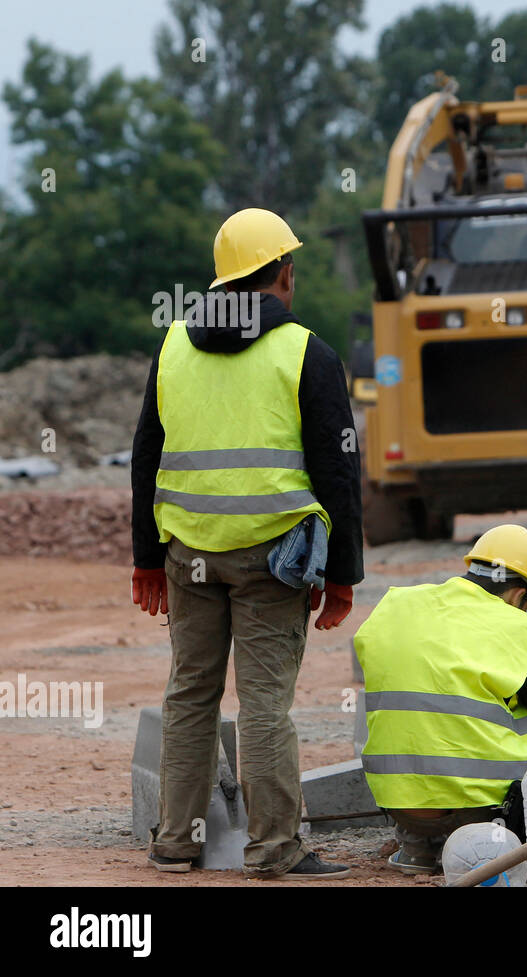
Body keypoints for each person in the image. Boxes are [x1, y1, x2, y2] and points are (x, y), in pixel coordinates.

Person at [131, 208, 364, 879]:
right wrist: (343, 572)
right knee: (264, 704)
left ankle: (176, 843)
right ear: (284, 274)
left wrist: (147, 558)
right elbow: (338, 470)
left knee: (189, 694)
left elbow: (147, 456)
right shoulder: (307, 354)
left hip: (189, 555)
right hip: (272, 562)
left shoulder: (173, 345)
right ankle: (274, 850)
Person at [353, 524, 527, 875]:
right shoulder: (511, 629)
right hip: (485, 815)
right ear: (518, 595)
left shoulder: (396, 605)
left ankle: (419, 847)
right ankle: (476, 844)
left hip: (400, 804)